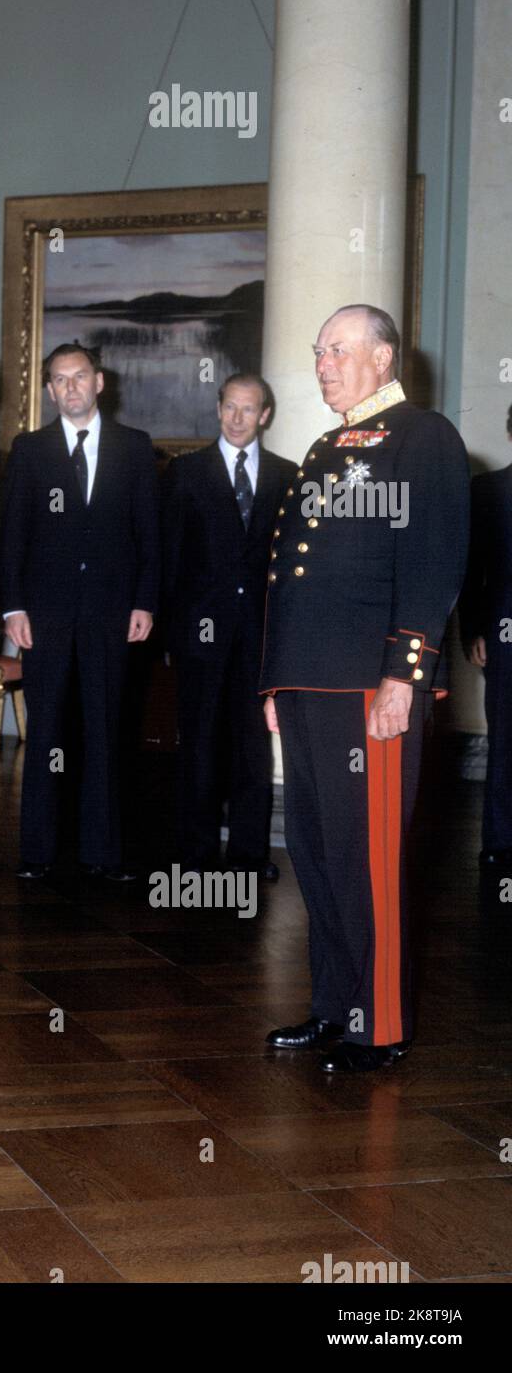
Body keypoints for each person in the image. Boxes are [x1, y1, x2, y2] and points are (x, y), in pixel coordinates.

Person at [260, 303, 469, 1072]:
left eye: (338, 350)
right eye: (318, 351)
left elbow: (434, 561)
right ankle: (332, 1006)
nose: (323, 364)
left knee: (370, 857)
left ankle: (378, 1022)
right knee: (317, 854)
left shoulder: (424, 437)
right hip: (310, 682)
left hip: (366, 686)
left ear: (383, 357)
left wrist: (403, 677)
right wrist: (274, 683)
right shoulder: (326, 444)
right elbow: (293, 576)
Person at [1, 342, 159, 881]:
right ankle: (39, 850)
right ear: (50, 390)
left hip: (114, 613)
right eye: (60, 379)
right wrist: (13, 607)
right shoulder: (29, 450)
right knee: (46, 729)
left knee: (106, 727)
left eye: (80, 376)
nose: (71, 387)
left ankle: (103, 851)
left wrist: (145, 601)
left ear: (99, 382)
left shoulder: (135, 448)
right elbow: (12, 534)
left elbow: (150, 536)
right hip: (45, 614)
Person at [162, 373, 296, 878]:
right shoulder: (186, 472)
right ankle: (194, 856)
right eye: (230, 408)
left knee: (252, 747)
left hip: (259, 638)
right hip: (200, 635)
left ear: (265, 415)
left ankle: (248, 855)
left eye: (249, 410)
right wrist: (173, 636)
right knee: (197, 744)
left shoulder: (288, 476)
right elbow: (171, 560)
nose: (238, 419)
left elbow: (288, 568)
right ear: (218, 409)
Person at [459, 406, 512, 868]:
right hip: (503, 636)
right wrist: (473, 630)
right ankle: (499, 845)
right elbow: (472, 569)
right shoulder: (489, 491)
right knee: (506, 739)